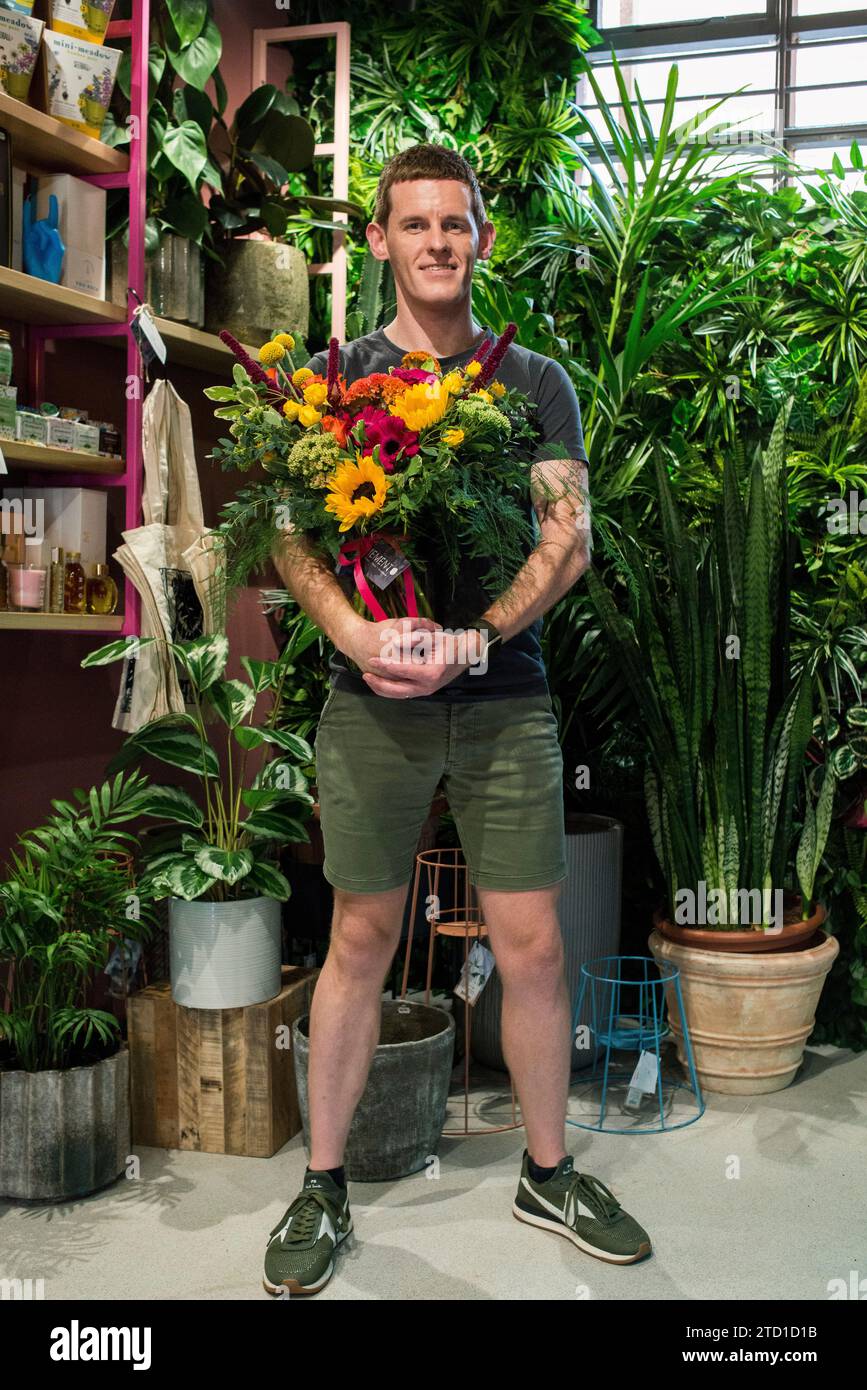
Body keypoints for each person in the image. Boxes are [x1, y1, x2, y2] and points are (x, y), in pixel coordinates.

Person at [263, 142, 652, 1297]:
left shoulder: (536, 382)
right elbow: (287, 535)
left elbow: (564, 537)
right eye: (415, 223)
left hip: (504, 699)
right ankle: (324, 1184)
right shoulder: (331, 383)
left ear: (480, 238)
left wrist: (477, 635)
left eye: (456, 222)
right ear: (378, 241)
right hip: (368, 702)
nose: (437, 240)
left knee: (533, 945)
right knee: (359, 942)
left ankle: (547, 1167)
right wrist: (360, 636)